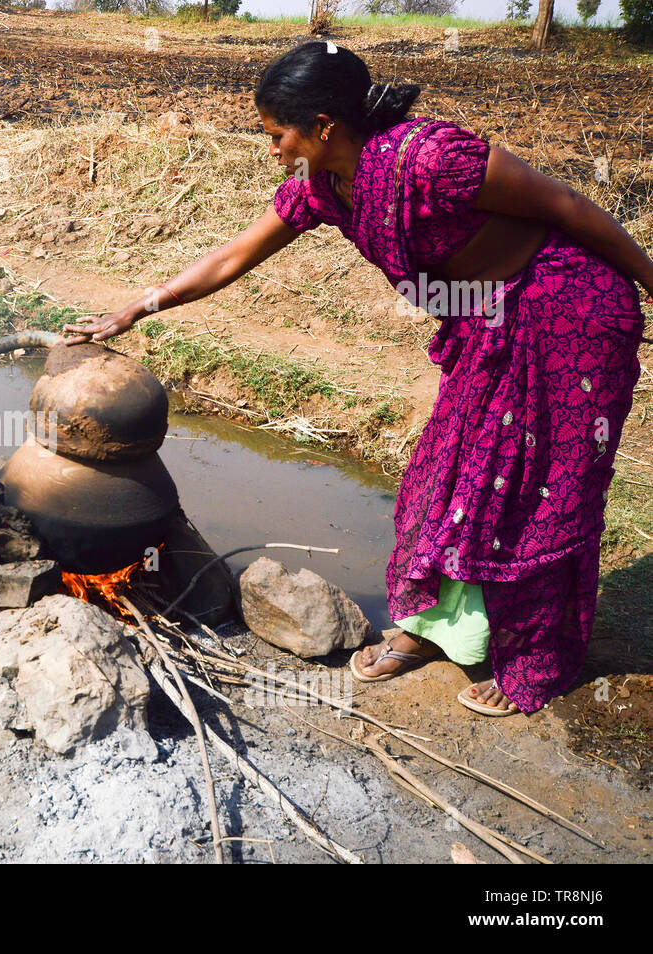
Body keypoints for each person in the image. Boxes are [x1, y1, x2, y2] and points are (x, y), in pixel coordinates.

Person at [63, 40, 651, 717]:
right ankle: (437, 632)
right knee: (453, 474)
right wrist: (140, 306)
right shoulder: (325, 187)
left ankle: (532, 655)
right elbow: (234, 256)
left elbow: (569, 206)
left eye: (278, 133)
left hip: (565, 312)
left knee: (538, 487)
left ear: (323, 126)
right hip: (487, 324)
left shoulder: (432, 158)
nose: (273, 149)